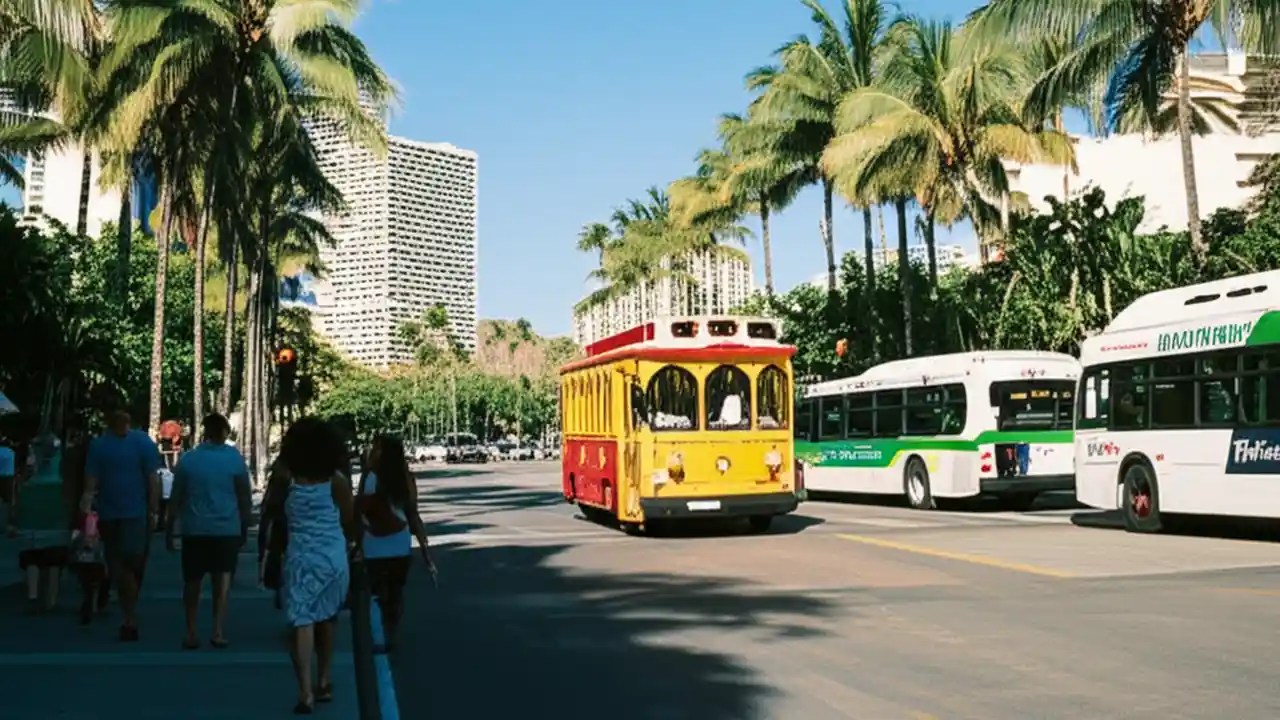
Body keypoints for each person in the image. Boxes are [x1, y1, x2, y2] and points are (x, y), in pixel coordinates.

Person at [278, 417, 358, 714]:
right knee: (328, 617)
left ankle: (304, 690)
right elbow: (349, 518)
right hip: (333, 558)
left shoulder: (287, 479)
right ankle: (324, 678)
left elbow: (274, 513)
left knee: (302, 618)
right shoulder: (336, 481)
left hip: (300, 557)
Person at [166, 413, 251, 649]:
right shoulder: (234, 459)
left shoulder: (190, 459)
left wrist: (170, 528)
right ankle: (217, 629)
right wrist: (245, 525)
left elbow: (176, 497)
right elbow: (244, 495)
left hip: (194, 528)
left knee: (192, 581)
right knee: (222, 580)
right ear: (224, 432)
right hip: (226, 528)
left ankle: (191, 630)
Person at [81, 409, 163, 642]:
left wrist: (154, 509)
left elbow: (152, 478)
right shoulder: (101, 445)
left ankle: (129, 606)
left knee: (131, 564)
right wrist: (87, 509)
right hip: (115, 514)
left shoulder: (139, 442)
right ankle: (129, 616)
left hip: (134, 513)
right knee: (122, 564)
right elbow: (91, 481)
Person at [358, 435, 434, 648]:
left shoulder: (370, 477)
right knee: (395, 593)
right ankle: (390, 633)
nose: (372, 451)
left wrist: (355, 543)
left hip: (373, 543)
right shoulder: (405, 478)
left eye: (376, 448)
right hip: (399, 544)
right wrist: (426, 552)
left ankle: (381, 633)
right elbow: (413, 515)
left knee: (376, 592)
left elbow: (359, 511)